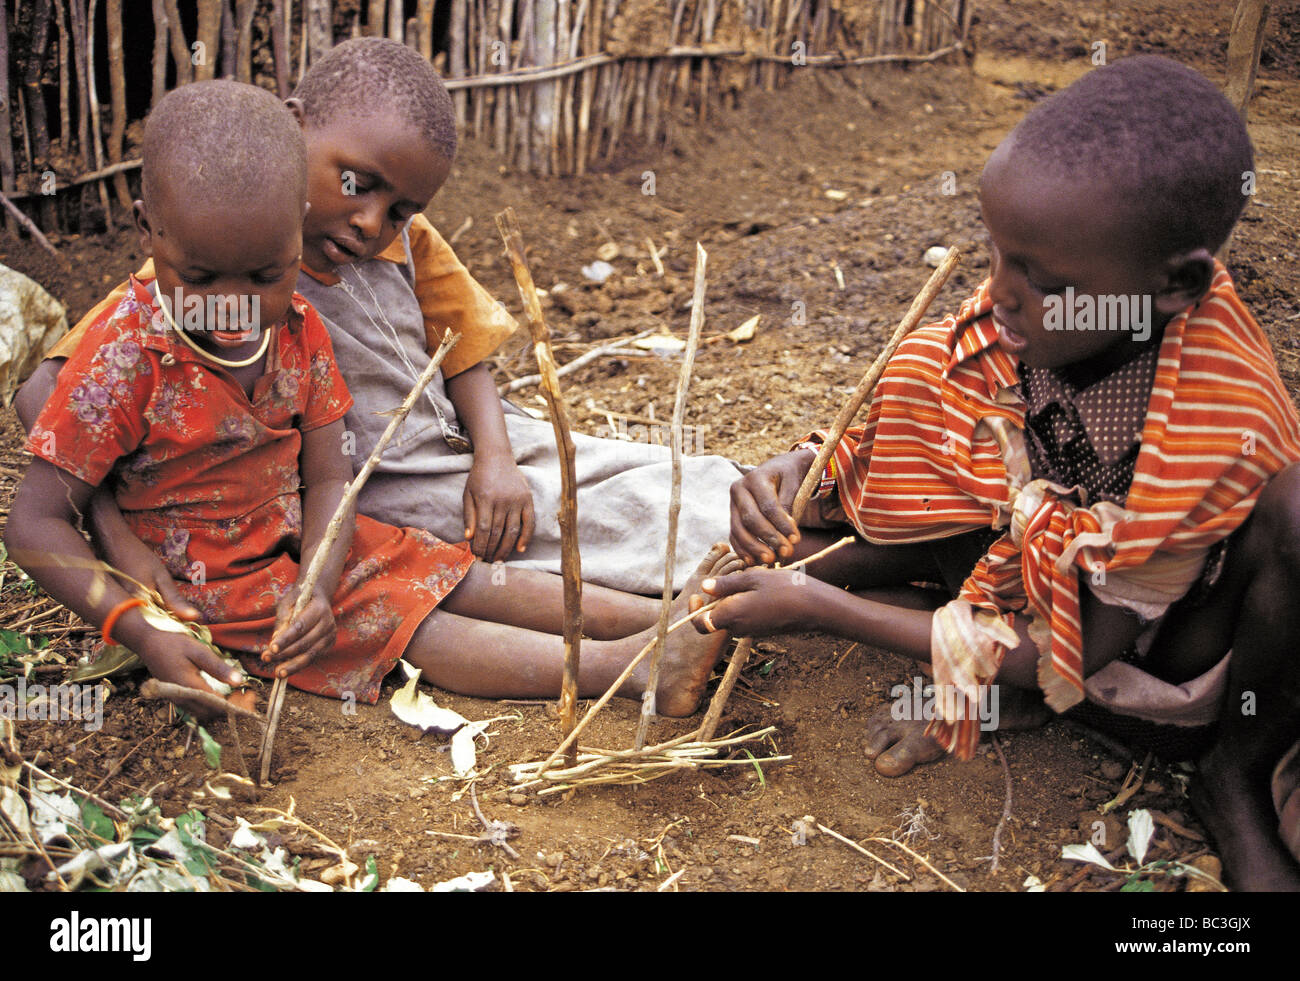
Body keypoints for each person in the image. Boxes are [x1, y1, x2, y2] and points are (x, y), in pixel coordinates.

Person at [691, 56, 1300, 890]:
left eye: (1040, 280)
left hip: (1140, 668)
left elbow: (1070, 657)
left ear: (1176, 285)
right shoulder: (1051, 317)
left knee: (1296, 508)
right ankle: (943, 635)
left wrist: (820, 609)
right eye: (998, 254)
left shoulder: (1210, 425)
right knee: (884, 449)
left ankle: (1235, 774)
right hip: (1033, 576)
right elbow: (919, 408)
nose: (1000, 294)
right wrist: (802, 463)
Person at [4, 80, 734, 731]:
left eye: (264, 273)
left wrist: (318, 578)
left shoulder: (300, 327)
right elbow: (36, 514)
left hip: (314, 536)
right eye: (198, 276)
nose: (231, 304)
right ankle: (631, 671)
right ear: (147, 232)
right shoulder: (127, 352)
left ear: (292, 228)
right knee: (411, 621)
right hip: (217, 582)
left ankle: (670, 620)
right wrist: (136, 617)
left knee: (458, 573)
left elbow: (329, 476)